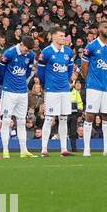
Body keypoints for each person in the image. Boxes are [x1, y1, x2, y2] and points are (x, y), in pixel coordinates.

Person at [81, 20, 107, 157]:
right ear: (99, 29)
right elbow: (84, 66)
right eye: (105, 27)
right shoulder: (91, 46)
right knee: (90, 115)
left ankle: (106, 149)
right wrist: (88, 80)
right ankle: (86, 149)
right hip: (94, 86)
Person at [37, 27, 77, 157]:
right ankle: (44, 149)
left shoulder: (69, 52)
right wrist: (45, 84)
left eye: (64, 36)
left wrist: (67, 81)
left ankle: (64, 149)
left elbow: (70, 69)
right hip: (52, 90)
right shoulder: (46, 52)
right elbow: (41, 72)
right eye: (60, 36)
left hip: (65, 90)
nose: (63, 38)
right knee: (49, 119)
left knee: (64, 118)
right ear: (53, 37)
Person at [0, 34, 35, 157]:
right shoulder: (9, 53)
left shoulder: (31, 55)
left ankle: (23, 150)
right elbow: (1, 71)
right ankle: (5, 150)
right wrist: (5, 84)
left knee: (21, 121)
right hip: (9, 92)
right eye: (26, 49)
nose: (27, 52)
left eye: (29, 50)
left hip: (22, 92)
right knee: (6, 121)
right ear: (21, 44)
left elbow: (28, 71)